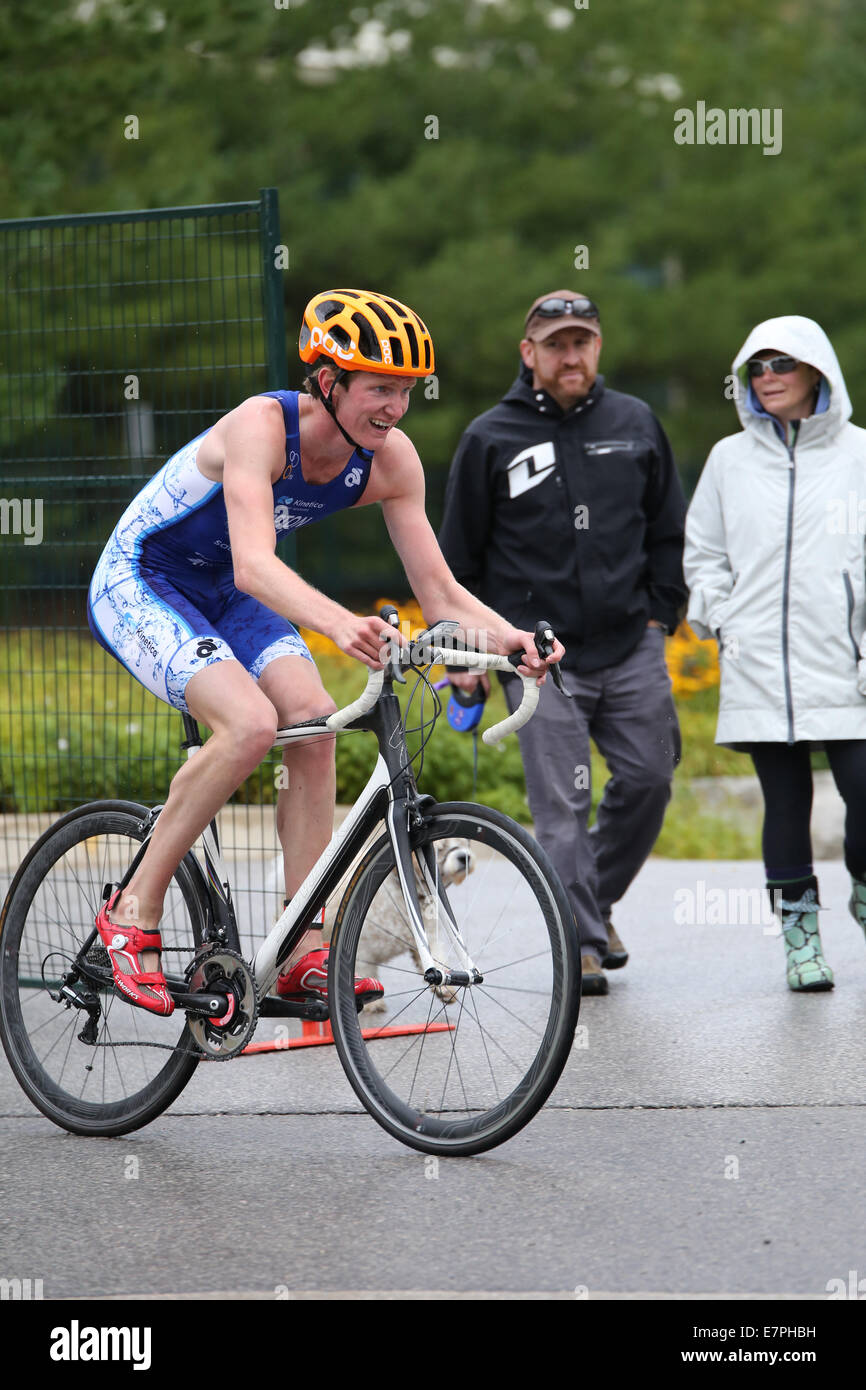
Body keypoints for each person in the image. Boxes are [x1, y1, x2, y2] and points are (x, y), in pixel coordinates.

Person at [87, 289, 562, 1015]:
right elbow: (253, 564)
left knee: (312, 722)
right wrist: (341, 624)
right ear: (329, 381)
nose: (394, 408)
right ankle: (131, 914)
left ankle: (302, 946)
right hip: (142, 578)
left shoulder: (391, 461)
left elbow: (438, 592)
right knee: (247, 725)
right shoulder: (260, 426)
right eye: (378, 388)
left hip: (221, 590)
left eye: (404, 390)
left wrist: (509, 639)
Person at [439, 290, 686, 994]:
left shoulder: (635, 423)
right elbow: (459, 560)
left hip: (629, 641)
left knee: (649, 779)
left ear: (597, 346)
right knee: (562, 806)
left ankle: (590, 902)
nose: (570, 355)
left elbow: (668, 529)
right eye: (555, 344)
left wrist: (658, 617)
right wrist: (469, 657)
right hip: (535, 655)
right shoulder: (490, 437)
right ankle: (579, 941)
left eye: (581, 341)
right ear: (530, 353)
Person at [685, 315, 866, 992]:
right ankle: (802, 945)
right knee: (785, 806)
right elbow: (703, 553)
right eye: (756, 368)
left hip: (850, 668)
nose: (767, 378)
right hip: (761, 668)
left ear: (816, 370)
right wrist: (724, 619)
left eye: (781, 365)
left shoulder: (861, 457)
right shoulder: (729, 460)